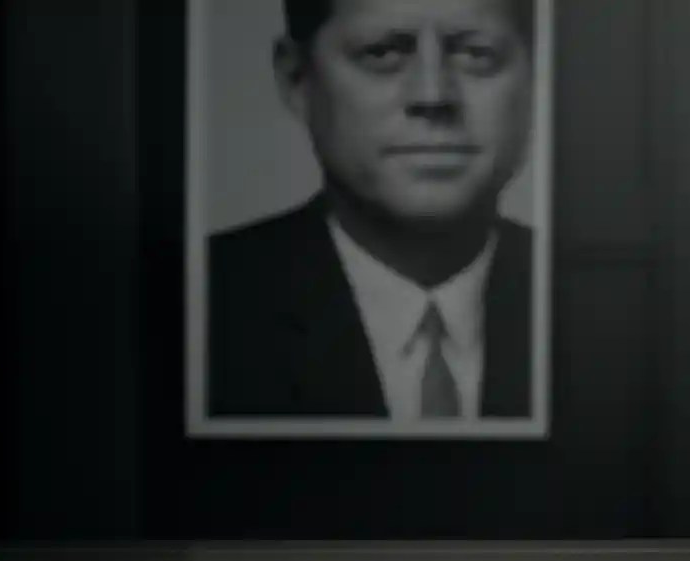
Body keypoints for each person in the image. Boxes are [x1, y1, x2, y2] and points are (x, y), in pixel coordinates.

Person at [207, 0, 537, 421]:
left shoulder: (609, 309)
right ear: (296, 79)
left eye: (476, 53)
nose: (432, 95)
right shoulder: (186, 303)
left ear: (536, 76)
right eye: (382, 52)